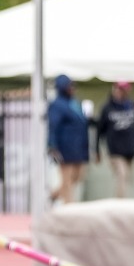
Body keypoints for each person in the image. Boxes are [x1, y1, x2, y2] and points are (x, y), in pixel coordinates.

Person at [95, 80, 134, 197]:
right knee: (122, 175)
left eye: (122, 90)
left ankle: (123, 200)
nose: (119, 92)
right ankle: (120, 205)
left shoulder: (133, 106)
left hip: (130, 149)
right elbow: (99, 130)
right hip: (114, 151)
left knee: (127, 177)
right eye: (117, 89)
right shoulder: (107, 108)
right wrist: (97, 150)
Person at [47, 74, 91, 204]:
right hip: (65, 146)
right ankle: (69, 208)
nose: (72, 88)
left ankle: (55, 194)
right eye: (69, 86)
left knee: (78, 176)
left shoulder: (75, 103)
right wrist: (52, 145)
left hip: (80, 147)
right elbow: (53, 126)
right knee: (67, 178)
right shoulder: (56, 105)